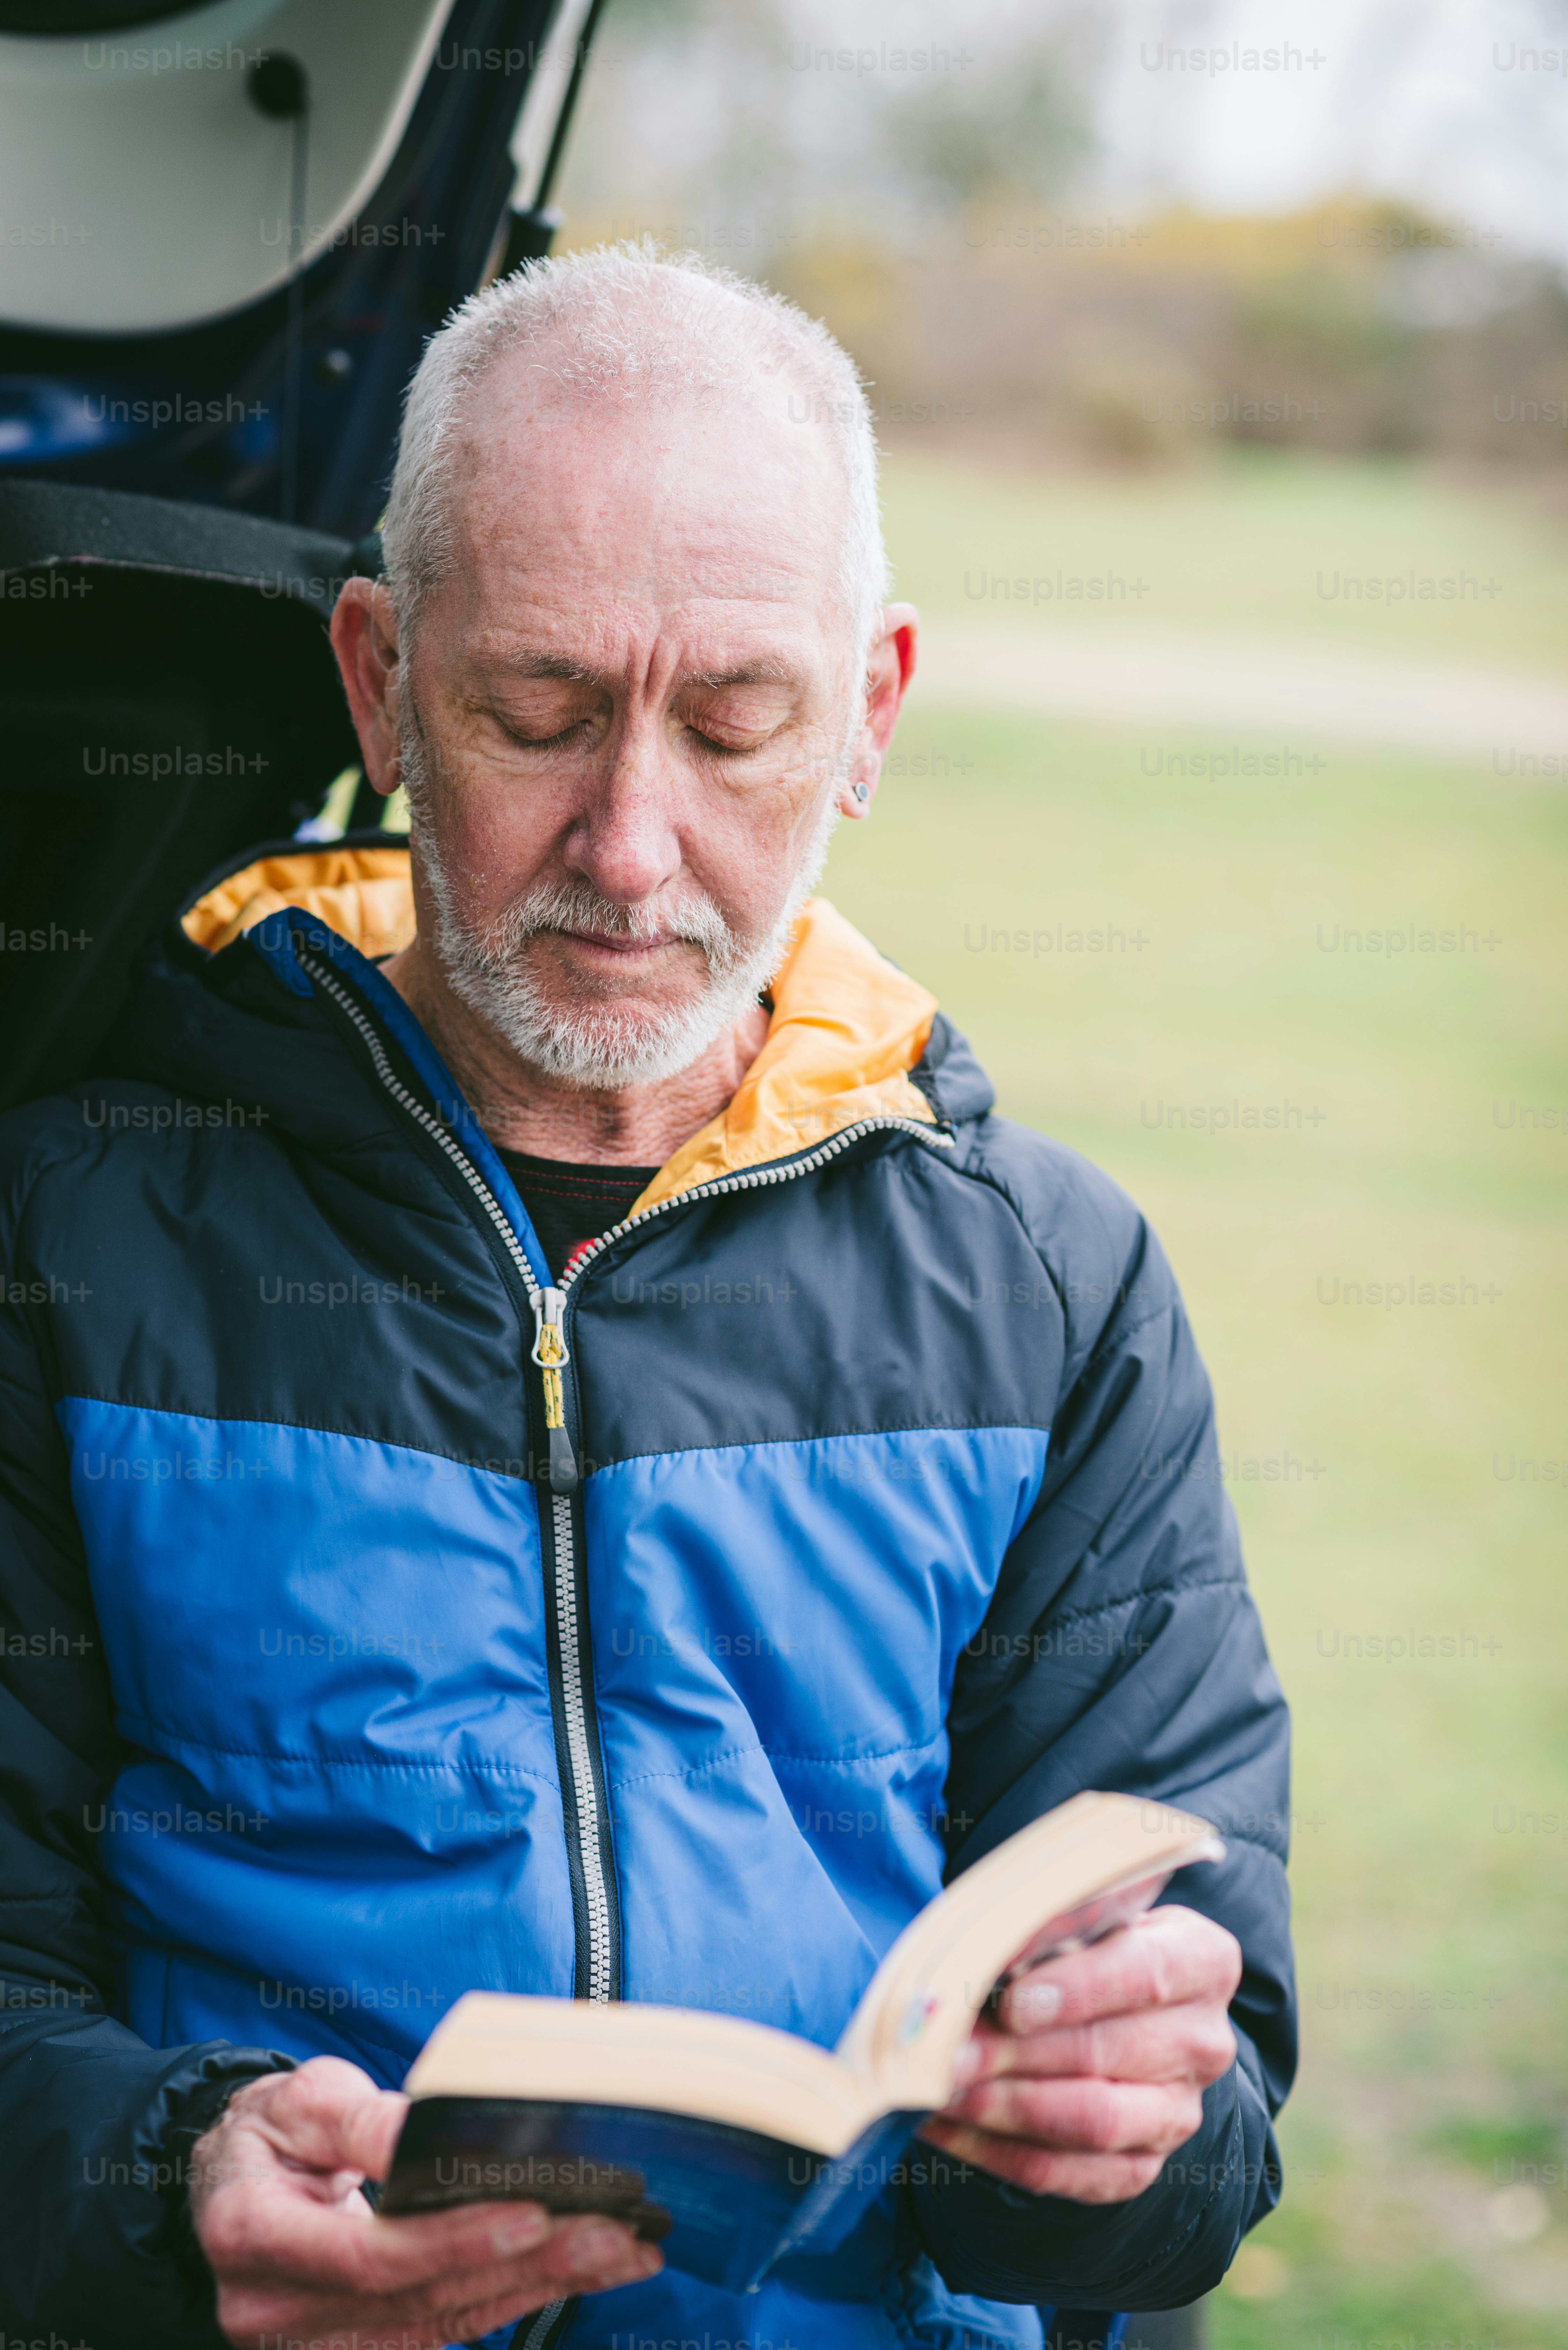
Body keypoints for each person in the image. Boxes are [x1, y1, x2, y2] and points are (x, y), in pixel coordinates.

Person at [0, 246, 1294, 2350]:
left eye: (738, 722)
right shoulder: (69, 1240)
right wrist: (167, 2177)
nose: (631, 843)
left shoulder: (1062, 1294)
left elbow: (1205, 2155)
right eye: (537, 712)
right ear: (377, 683)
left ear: (869, 712)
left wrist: (1127, 2131)